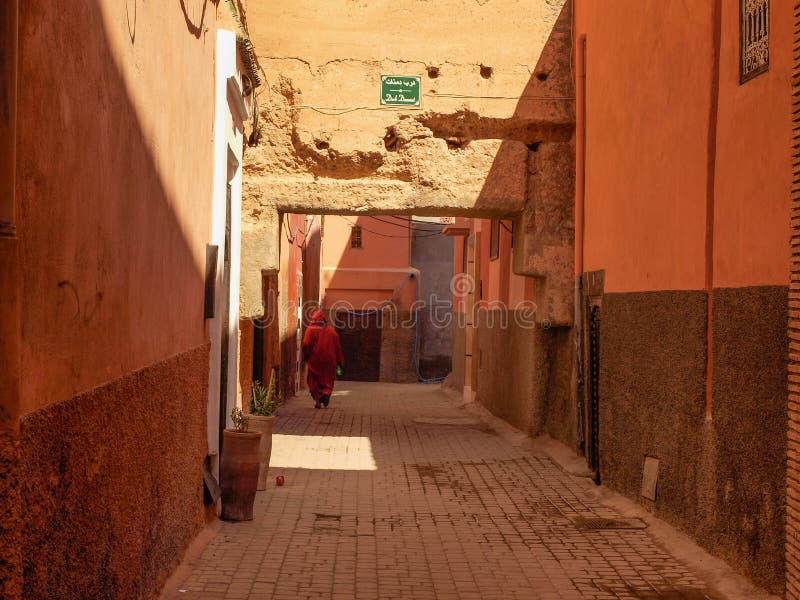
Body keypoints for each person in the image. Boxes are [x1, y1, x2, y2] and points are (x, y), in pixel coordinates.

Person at [302, 309, 344, 409]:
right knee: (327, 380)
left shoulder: (310, 330)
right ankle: (327, 393)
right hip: (329, 361)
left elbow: (306, 344)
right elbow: (338, 348)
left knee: (313, 381)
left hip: (315, 361)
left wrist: (306, 356)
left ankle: (318, 401)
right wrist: (340, 361)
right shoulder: (332, 331)